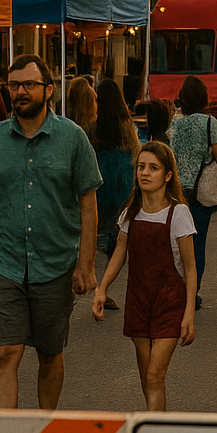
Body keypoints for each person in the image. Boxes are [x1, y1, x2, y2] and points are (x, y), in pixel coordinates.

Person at [0, 55, 101, 409]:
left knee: (49, 354)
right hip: (4, 263)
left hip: (55, 265)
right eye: (14, 85)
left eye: (28, 85)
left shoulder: (73, 138)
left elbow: (89, 205)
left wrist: (86, 264)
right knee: (5, 353)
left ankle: (43, 430)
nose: (20, 92)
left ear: (49, 90)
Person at [93, 141, 196, 411]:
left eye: (153, 168)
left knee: (154, 375)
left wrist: (188, 314)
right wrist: (102, 288)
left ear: (168, 175)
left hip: (169, 302)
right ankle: (160, 423)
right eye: (141, 167)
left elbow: (190, 268)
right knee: (147, 378)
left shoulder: (178, 214)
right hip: (138, 301)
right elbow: (119, 252)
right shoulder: (130, 213)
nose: (145, 173)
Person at [168, 76, 217, 309]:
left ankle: (175, 291)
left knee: (177, 244)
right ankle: (191, 295)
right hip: (201, 195)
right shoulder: (210, 123)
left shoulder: (174, 123)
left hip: (175, 193)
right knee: (196, 246)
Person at [91, 80, 139, 287]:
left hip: (101, 177)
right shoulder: (126, 124)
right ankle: (107, 281)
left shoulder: (94, 126)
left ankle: (93, 269)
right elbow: (134, 149)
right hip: (122, 179)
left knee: (99, 224)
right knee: (119, 226)